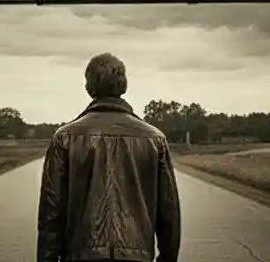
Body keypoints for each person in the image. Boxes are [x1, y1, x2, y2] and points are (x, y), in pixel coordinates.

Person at [37, 53, 181, 262]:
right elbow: (169, 213)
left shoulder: (65, 137)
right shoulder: (154, 139)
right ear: (124, 85)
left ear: (89, 87)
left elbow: (51, 212)